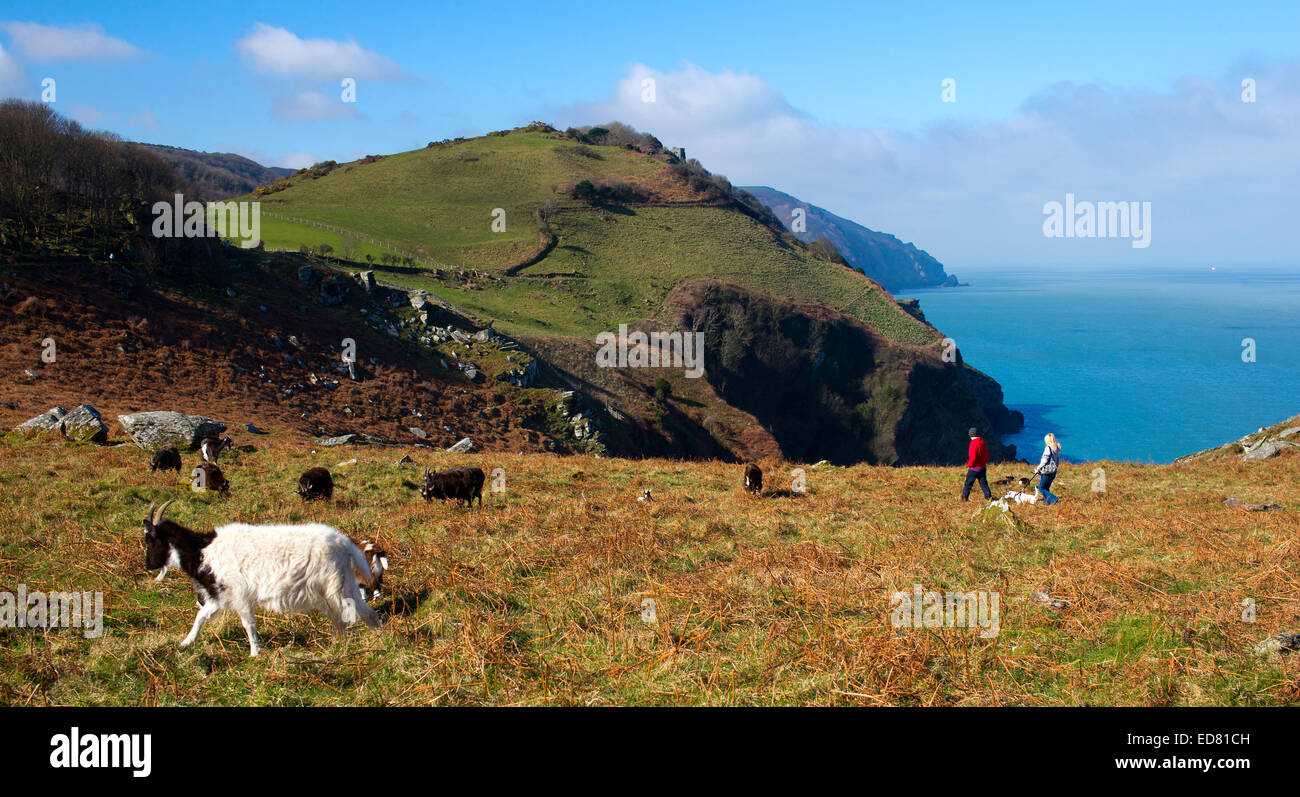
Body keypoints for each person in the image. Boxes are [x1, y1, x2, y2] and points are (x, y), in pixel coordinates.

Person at [961, 427, 991, 501]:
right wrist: (984, 462)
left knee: (968, 484)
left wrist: (969, 465)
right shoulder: (983, 442)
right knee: (984, 484)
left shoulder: (973, 443)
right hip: (983, 468)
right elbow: (987, 454)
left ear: (971, 435)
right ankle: (989, 498)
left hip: (974, 469)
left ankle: (964, 499)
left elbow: (973, 457)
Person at [1032, 433, 1062, 505]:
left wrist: (1038, 468)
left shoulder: (1048, 448)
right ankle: (1046, 503)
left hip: (1047, 472)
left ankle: (1054, 499)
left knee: (1041, 488)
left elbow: (1044, 460)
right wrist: (1055, 468)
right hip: (1053, 471)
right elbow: (1057, 460)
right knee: (1046, 488)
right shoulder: (1056, 448)